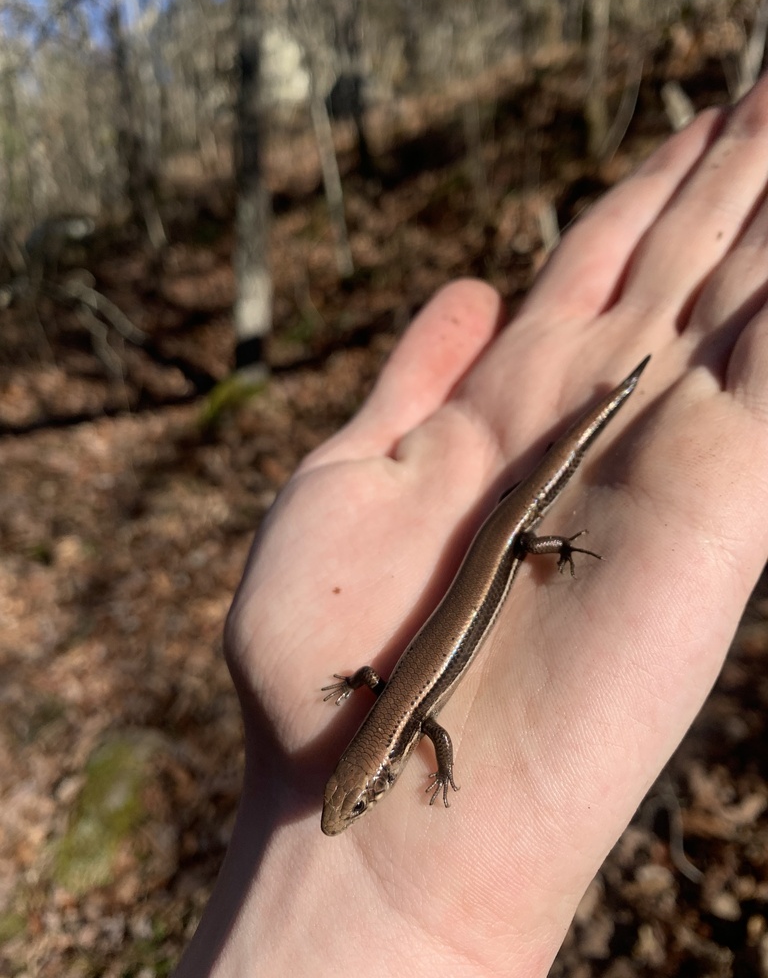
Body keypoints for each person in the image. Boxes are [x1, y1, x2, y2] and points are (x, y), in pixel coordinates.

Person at [175, 73, 768, 976]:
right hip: (490, 552)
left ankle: (605, 428)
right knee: (524, 514)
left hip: (511, 544)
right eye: (358, 795)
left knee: (537, 512)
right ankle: (593, 440)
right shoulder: (390, 718)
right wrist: (367, 698)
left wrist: (437, 762)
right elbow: (385, 687)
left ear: (371, 770)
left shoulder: (412, 730)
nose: (353, 801)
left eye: (361, 792)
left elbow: (417, 714)